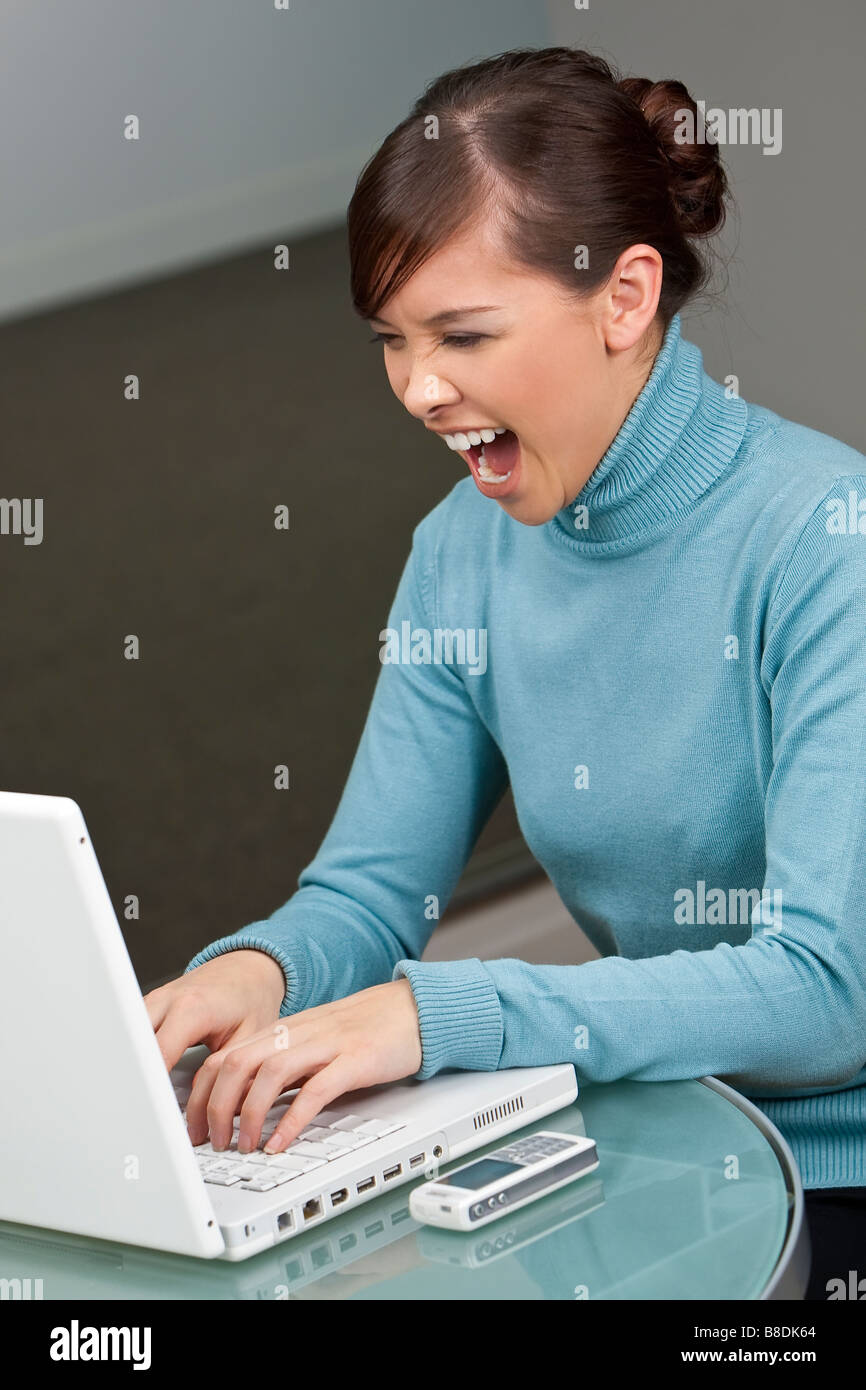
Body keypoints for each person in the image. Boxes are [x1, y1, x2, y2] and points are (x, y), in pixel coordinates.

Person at [143, 47, 866, 1299]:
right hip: (639, 1149)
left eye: (463, 334)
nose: (420, 390)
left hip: (833, 1188)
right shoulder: (457, 554)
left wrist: (444, 1012)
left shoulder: (822, 541)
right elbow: (370, 901)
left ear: (623, 296)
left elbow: (823, 991)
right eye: (392, 342)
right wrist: (248, 973)